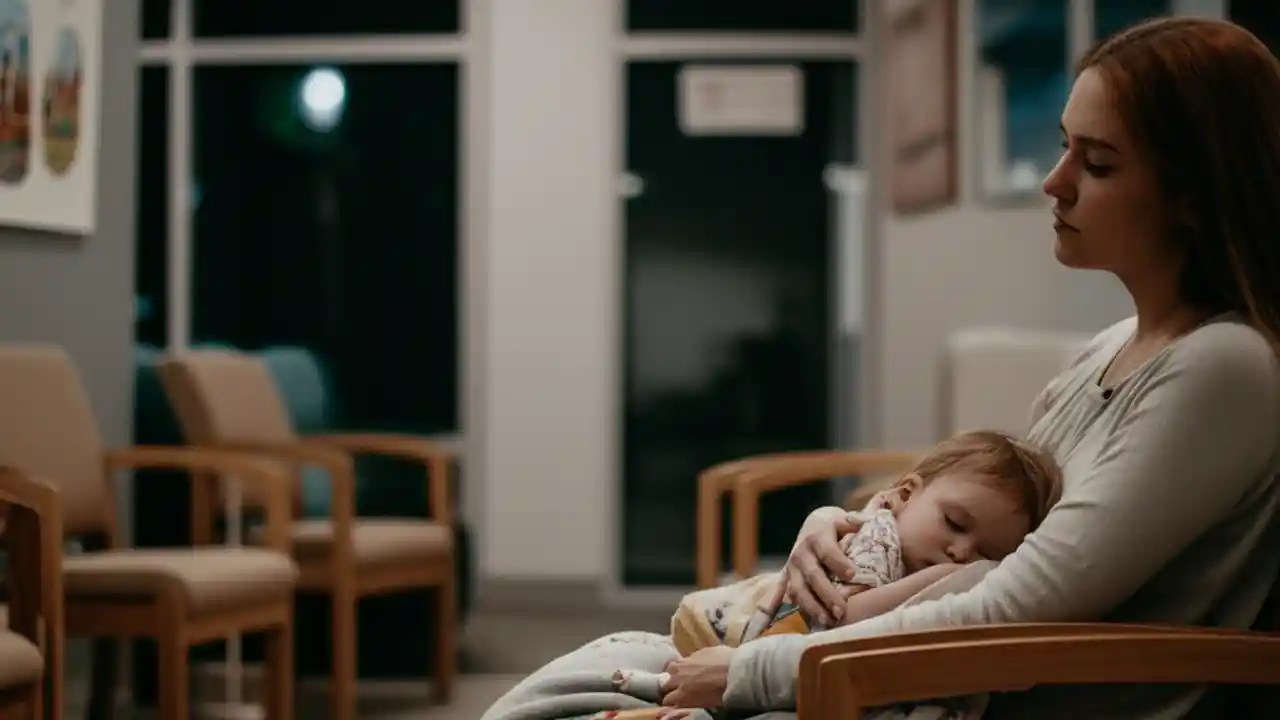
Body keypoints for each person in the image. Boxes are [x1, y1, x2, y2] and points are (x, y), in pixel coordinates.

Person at [658, 17, 1280, 719]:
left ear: (1194, 196)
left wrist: (760, 670)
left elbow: (1020, 599)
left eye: (1098, 163)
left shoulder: (1227, 369)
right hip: (952, 687)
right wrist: (843, 526)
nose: (1055, 182)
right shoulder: (1102, 354)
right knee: (608, 665)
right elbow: (985, 545)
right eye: (1062, 149)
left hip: (1010, 702)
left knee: (618, 684)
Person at [669, 430, 1062, 658]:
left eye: (988, 554)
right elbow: (842, 619)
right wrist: (951, 576)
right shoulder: (879, 536)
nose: (962, 554)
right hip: (721, 625)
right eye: (954, 523)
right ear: (906, 494)